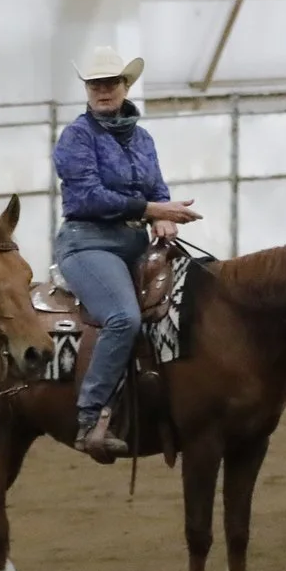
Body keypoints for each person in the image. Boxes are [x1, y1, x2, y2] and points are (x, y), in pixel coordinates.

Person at [52, 47, 197, 462]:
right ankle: (90, 413)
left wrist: (164, 217)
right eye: (95, 84)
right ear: (87, 89)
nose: (102, 91)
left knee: (193, 299)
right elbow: (89, 196)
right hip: (88, 241)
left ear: (125, 86)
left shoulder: (142, 137)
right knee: (124, 317)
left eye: (110, 83)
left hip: (135, 241)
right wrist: (154, 212)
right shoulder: (76, 137)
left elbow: (156, 188)